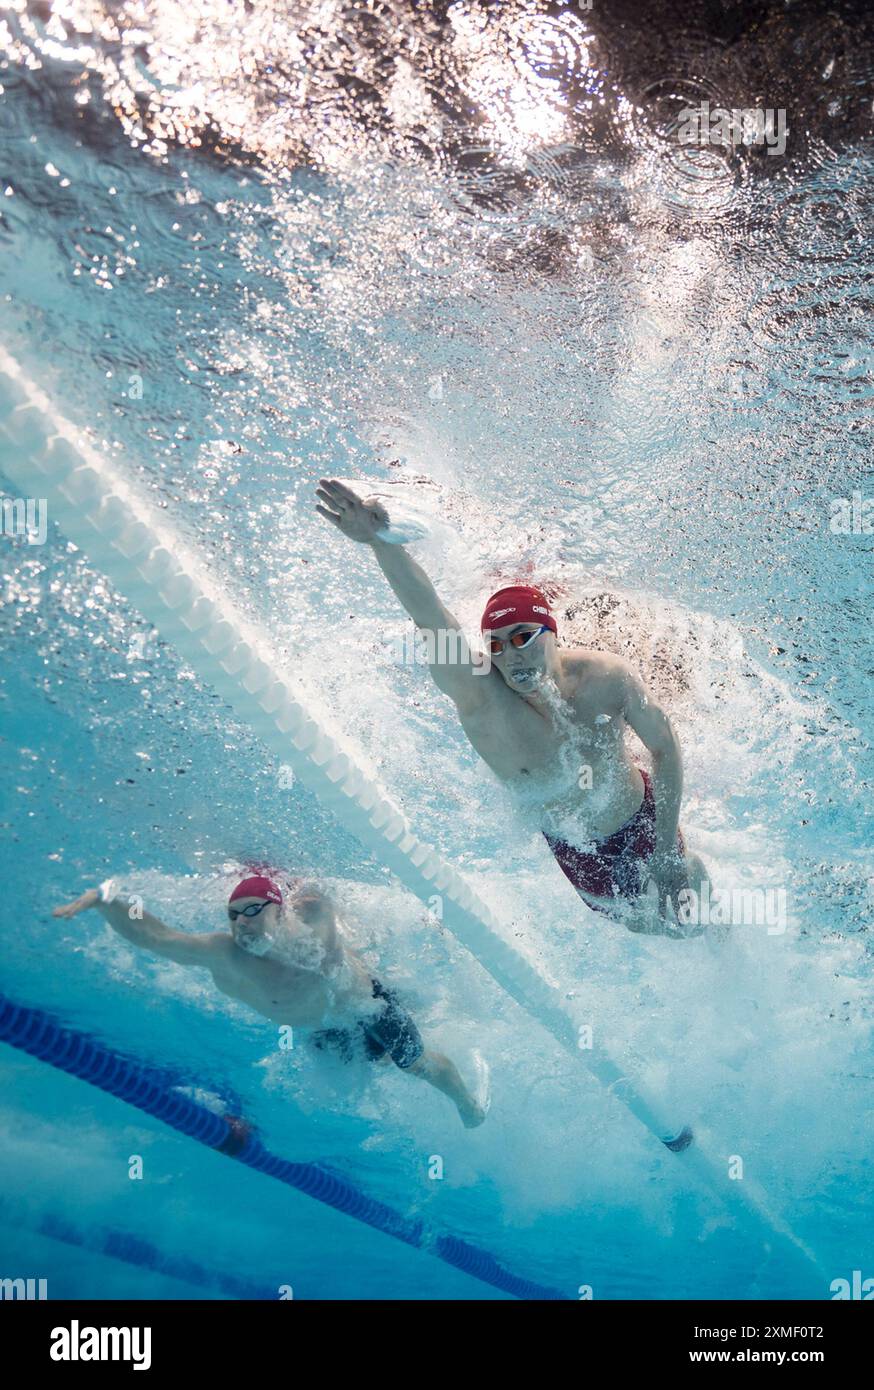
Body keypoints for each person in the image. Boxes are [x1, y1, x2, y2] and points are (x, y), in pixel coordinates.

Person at [315, 477, 711, 936]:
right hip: (579, 854)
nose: (511, 653)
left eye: (523, 637)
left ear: (553, 635)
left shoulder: (606, 676)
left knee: (696, 911)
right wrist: (382, 545)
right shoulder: (481, 696)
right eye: (497, 644)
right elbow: (431, 618)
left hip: (643, 820)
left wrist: (664, 850)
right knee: (646, 929)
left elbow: (664, 747)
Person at [52, 873, 489, 1127]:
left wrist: (322, 908)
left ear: (280, 912)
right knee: (342, 1097)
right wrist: (105, 902)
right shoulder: (223, 955)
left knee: (415, 1064)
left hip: (369, 1010)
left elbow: (322, 917)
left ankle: (467, 1103)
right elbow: (158, 938)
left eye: (253, 909)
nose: (240, 921)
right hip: (323, 1029)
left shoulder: (307, 940)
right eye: (233, 914)